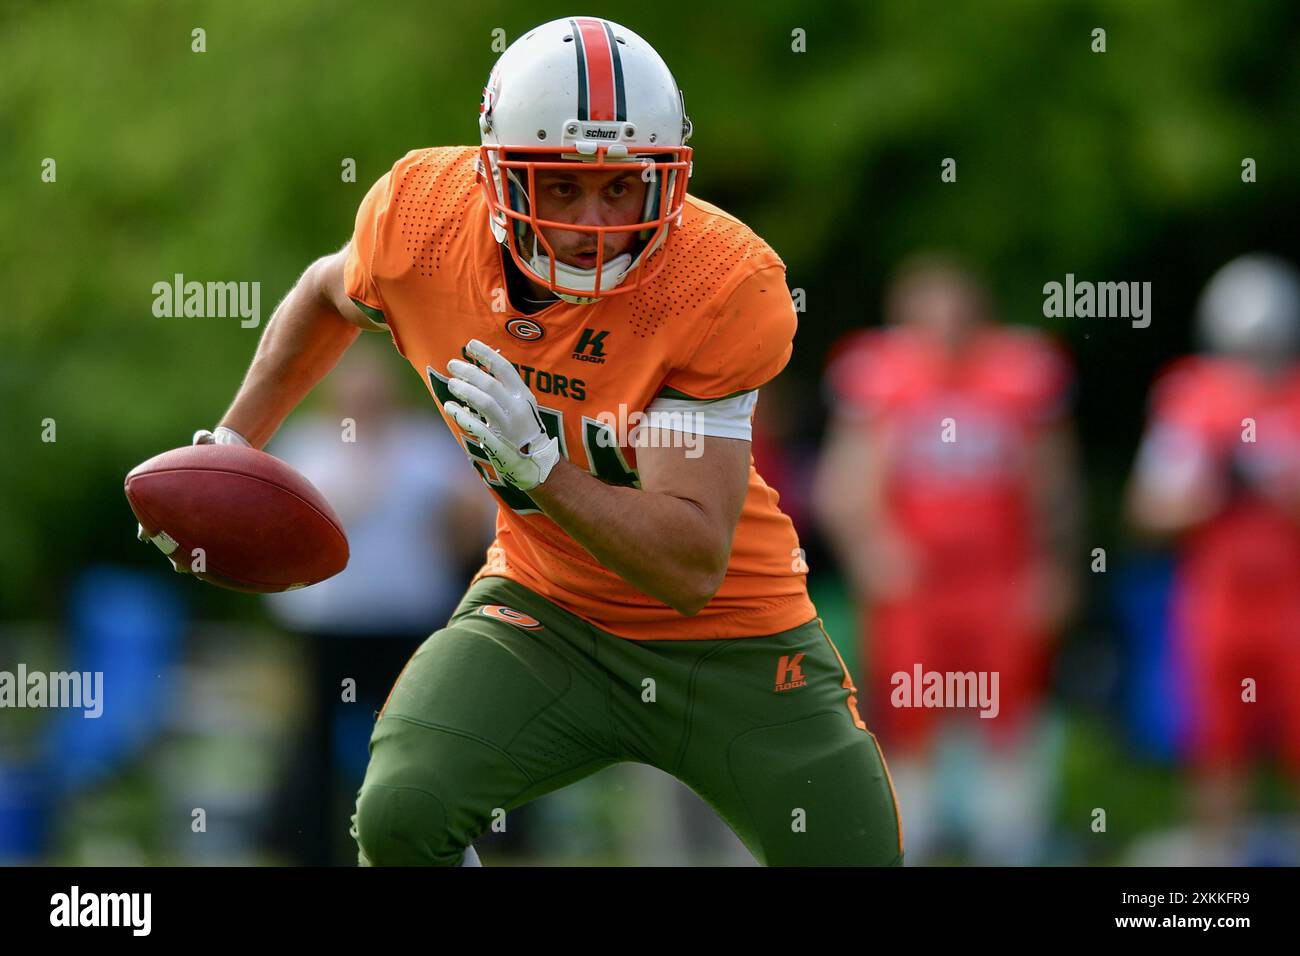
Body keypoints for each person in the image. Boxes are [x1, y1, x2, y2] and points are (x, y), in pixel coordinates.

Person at [149, 17, 902, 867]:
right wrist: (231, 446)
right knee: (404, 808)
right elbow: (327, 294)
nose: (595, 222)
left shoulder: (716, 283)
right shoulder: (422, 222)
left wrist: (540, 468)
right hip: (544, 610)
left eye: (623, 187)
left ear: (670, 179)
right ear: (498, 174)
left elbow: (690, 566)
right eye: (561, 187)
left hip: (734, 639)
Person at [814, 255, 1081, 864]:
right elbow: (842, 484)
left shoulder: (1019, 373)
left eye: (957, 313)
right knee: (908, 706)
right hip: (919, 578)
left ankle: (1011, 838)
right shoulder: (881, 375)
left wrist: (1056, 564)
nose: (945, 327)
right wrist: (871, 546)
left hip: (999, 572)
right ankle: (915, 835)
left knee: (1010, 703)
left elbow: (1055, 483)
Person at [1126, 254, 1300, 864]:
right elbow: (1149, 511)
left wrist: (1277, 492)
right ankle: (1221, 864)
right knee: (1217, 738)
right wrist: (1213, 492)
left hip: (1291, 597)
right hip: (1218, 596)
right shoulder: (1191, 399)